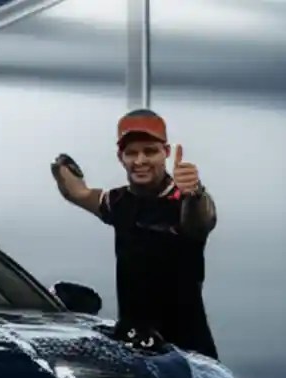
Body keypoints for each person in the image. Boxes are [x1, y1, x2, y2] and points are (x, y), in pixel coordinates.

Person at [50, 109, 220, 360]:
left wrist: (195, 192)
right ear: (121, 157)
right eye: (131, 153)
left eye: (150, 151)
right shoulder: (119, 202)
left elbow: (200, 221)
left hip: (187, 352)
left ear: (166, 152)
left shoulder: (185, 201)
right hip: (134, 349)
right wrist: (59, 166)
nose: (140, 160)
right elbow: (79, 193)